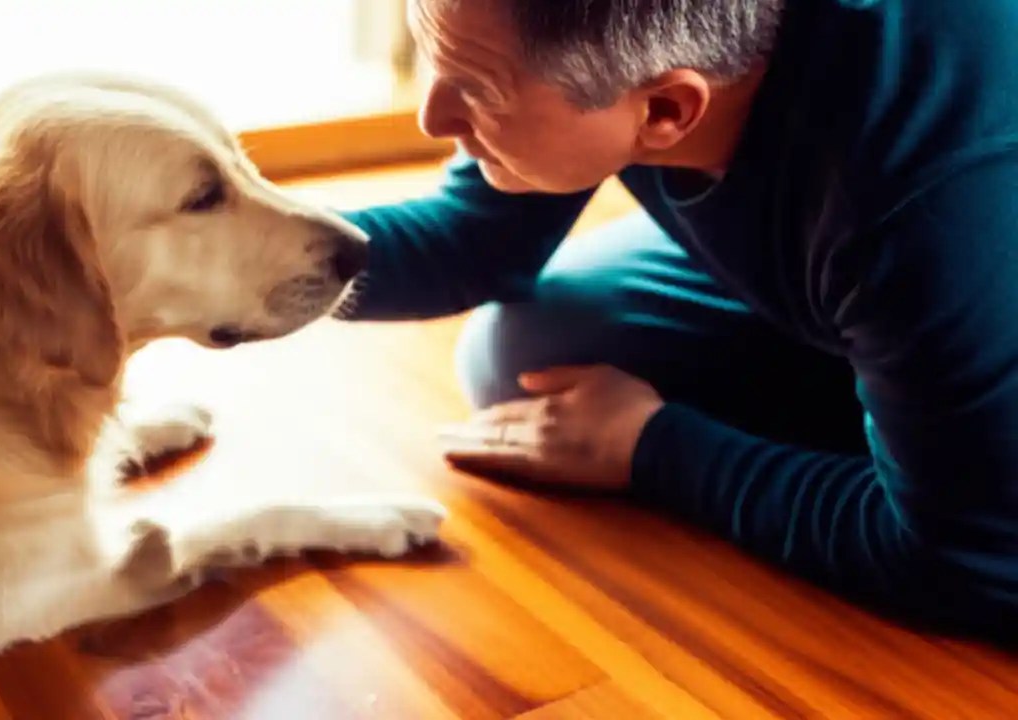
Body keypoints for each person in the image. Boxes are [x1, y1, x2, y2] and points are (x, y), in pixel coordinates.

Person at [334, 0, 1018, 642]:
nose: (432, 118)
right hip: (894, 273)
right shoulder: (620, 44)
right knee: (524, 352)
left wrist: (653, 448)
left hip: (942, 244)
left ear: (665, 110)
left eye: (479, 91)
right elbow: (472, 241)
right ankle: (931, 420)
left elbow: (968, 565)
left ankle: (939, 440)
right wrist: (250, 260)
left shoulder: (912, 209)